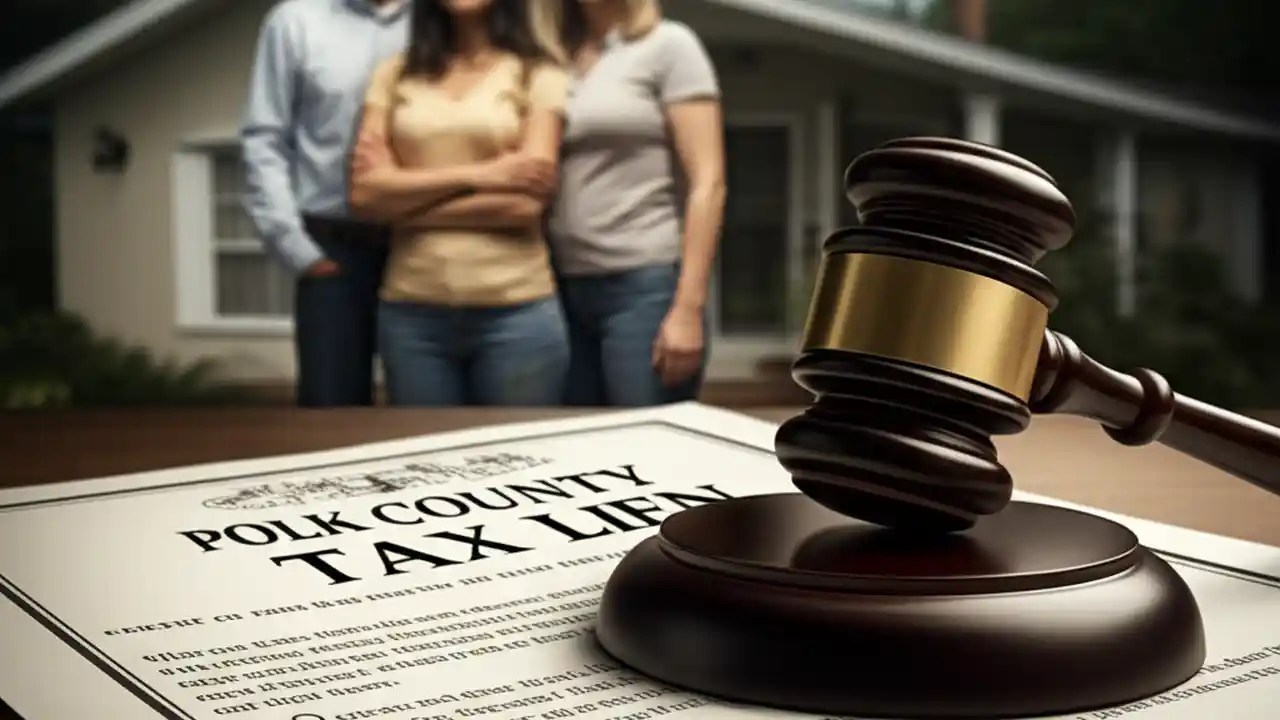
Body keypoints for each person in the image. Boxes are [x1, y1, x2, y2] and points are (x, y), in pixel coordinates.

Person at [346, 0, 572, 406]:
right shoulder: (394, 74)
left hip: (517, 313)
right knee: (427, 465)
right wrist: (482, 175)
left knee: (523, 463)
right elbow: (363, 197)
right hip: (412, 313)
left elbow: (525, 206)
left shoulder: (537, 72)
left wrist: (402, 203)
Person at [544, 0, 726, 407]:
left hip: (643, 289)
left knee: (648, 452)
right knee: (575, 454)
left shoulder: (670, 45)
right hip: (559, 290)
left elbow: (708, 182)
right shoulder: (554, 56)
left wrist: (687, 309)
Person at [240, 0, 409, 407]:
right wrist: (297, 250)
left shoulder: (444, 16)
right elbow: (265, 138)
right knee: (330, 418)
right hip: (333, 253)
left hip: (421, 247)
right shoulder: (295, 21)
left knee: (426, 416)